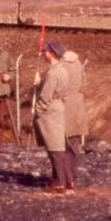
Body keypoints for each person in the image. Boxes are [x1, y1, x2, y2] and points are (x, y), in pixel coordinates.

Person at [32, 40, 70, 191]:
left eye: (46, 51)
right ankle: (61, 179)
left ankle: (59, 181)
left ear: (52, 54)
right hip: (58, 107)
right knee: (58, 146)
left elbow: (46, 96)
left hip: (50, 112)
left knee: (55, 148)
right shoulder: (62, 70)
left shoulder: (53, 73)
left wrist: (37, 112)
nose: (44, 54)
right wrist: (40, 82)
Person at [61, 47, 88, 190]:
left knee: (61, 146)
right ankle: (72, 177)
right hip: (78, 107)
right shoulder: (79, 64)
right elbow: (84, 84)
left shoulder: (60, 67)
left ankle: (65, 179)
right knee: (74, 145)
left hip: (64, 108)